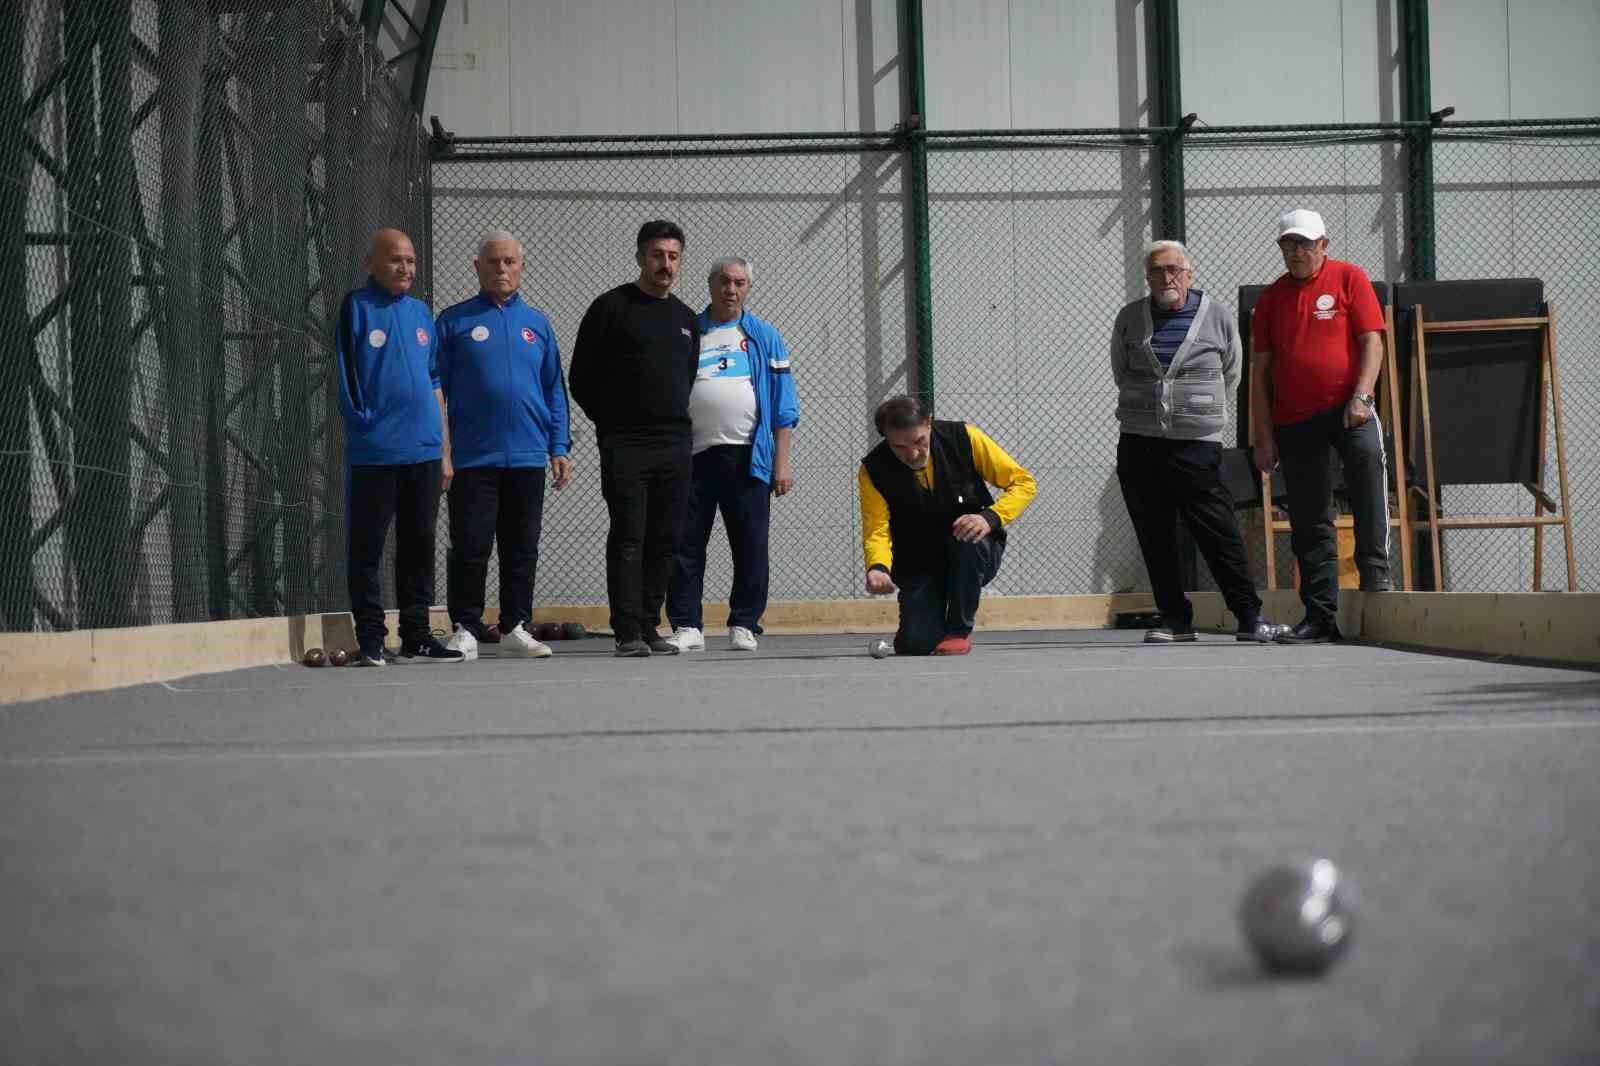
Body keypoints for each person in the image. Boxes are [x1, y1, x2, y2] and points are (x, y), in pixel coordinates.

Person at [1110, 240, 1284, 644]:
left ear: (1190, 273)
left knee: (1218, 531)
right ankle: (1175, 620)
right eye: (1156, 270)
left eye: (1174, 269)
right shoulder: (1129, 318)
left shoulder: (1219, 317)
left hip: (1197, 446)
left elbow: (1232, 374)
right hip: (1139, 444)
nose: (1166, 277)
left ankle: (1248, 617)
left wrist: (1194, 414)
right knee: (1155, 535)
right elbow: (1121, 370)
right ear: (1147, 277)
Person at [1250, 208, 1392, 645]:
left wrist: (1364, 396)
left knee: (1367, 463)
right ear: (1280, 249)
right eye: (1289, 245)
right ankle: (1320, 616)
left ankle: (1375, 573)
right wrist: (1263, 437)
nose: (1298, 252)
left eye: (1306, 244)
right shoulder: (1271, 299)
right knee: (1310, 518)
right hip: (1295, 419)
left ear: (1324, 245)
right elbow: (1259, 373)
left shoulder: (1351, 278)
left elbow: (1373, 341)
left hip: (1351, 409)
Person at [435, 230, 572, 662]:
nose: (502, 269)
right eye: (493, 262)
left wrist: (559, 446)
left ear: (522, 268)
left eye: (510, 261)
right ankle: (466, 627)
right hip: (473, 458)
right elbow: (434, 388)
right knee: (471, 545)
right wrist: (443, 452)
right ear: (477, 268)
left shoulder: (538, 325)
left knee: (521, 548)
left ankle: (516, 626)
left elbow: (554, 389)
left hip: (528, 457)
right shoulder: (453, 322)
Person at [569, 221, 701, 658]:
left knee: (665, 537)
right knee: (629, 535)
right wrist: (612, 426)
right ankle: (627, 631)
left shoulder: (685, 319)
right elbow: (581, 378)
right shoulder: (611, 307)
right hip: (626, 445)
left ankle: (649, 624)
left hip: (675, 446)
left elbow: (685, 377)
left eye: (673, 256)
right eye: (657, 255)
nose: (665, 264)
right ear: (641, 256)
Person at [334, 227, 464, 666]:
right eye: (395, 260)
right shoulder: (357, 307)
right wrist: (365, 425)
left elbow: (434, 383)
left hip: (424, 454)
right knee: (368, 547)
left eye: (410, 260)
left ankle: (417, 635)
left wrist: (443, 449)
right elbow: (347, 375)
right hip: (376, 454)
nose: (405, 268)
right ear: (371, 263)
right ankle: (371, 639)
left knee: (419, 545)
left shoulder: (422, 313)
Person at [663, 257, 799, 653]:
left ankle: (744, 623)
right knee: (685, 543)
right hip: (691, 457)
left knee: (751, 543)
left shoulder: (764, 336)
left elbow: (784, 405)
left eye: (739, 283)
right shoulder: (690, 330)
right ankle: (687, 624)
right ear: (710, 284)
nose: (731, 289)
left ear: (748, 288)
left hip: (747, 457)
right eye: (724, 281)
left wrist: (782, 460)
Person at [858, 395, 1036, 655]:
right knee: (915, 644)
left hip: (974, 551)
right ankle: (926, 620)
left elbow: (1023, 483)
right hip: (920, 562)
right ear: (885, 438)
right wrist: (878, 567)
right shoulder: (872, 470)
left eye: (919, 441)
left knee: (965, 537)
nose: (913, 453)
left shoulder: (965, 437)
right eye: (900, 447)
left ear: (929, 423)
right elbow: (877, 528)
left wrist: (989, 518)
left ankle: (958, 631)